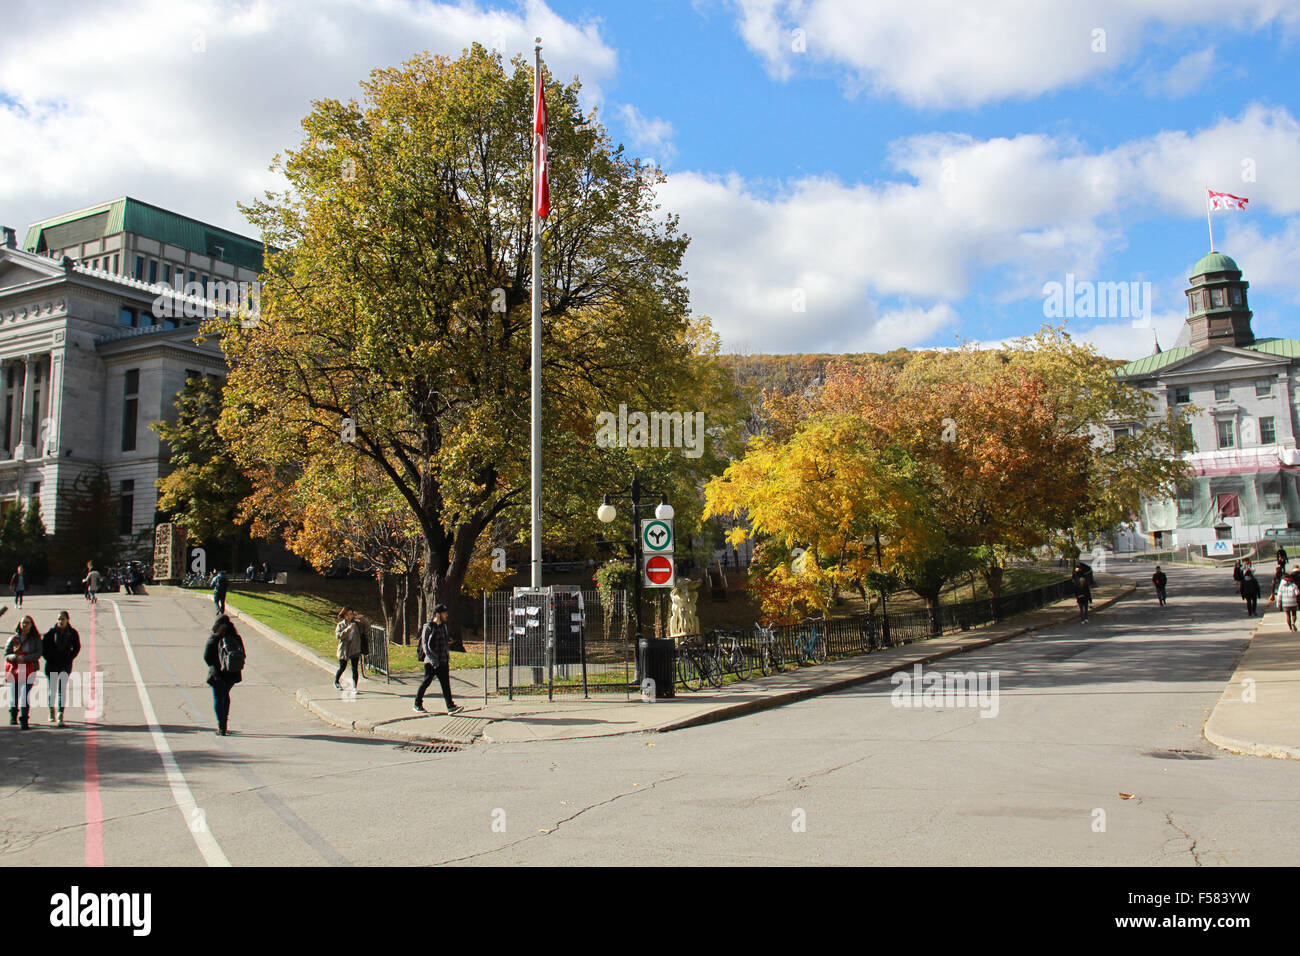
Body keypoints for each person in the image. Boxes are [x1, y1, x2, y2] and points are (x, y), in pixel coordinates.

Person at [414, 603, 462, 715]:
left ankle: (450, 707)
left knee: (446, 684)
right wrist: (431, 659)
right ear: (437, 614)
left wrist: (448, 640)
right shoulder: (429, 626)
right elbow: (425, 645)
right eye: (444, 613)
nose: (446, 615)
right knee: (426, 682)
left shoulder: (443, 626)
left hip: (443, 660)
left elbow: (443, 639)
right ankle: (417, 704)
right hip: (432, 662)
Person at [203, 614, 245, 735]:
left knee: (217, 698)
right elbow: (242, 654)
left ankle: (221, 726)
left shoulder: (214, 637)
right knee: (225, 696)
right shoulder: (236, 637)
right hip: (232, 673)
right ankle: (225, 721)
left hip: (217, 674)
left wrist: (214, 666)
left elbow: (207, 657)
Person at [42, 611, 81, 727]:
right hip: (52, 665)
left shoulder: (72, 633)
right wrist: (49, 658)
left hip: (65, 665)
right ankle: (51, 710)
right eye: (59, 619)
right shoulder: (51, 633)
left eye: (63, 619)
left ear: (67, 620)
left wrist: (70, 657)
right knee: (52, 690)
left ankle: (60, 714)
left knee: (61, 690)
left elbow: (77, 647)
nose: (60, 621)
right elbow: (43, 647)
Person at [5, 613, 41, 729]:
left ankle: (24, 719)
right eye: (23, 622)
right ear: (19, 625)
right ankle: (13, 715)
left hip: (29, 669)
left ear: (31, 625)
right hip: (14, 669)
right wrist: (15, 658)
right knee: (14, 694)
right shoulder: (13, 638)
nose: (25, 625)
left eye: (27, 623)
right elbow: (6, 654)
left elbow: (38, 654)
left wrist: (24, 658)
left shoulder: (36, 639)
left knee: (25, 694)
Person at [334, 607, 362, 692]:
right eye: (347, 615)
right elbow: (338, 636)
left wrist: (362, 618)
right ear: (344, 616)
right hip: (344, 649)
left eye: (351, 614)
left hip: (355, 648)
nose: (349, 616)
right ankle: (336, 681)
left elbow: (367, 627)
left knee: (354, 668)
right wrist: (348, 629)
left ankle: (354, 686)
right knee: (342, 667)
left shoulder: (356, 624)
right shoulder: (340, 625)